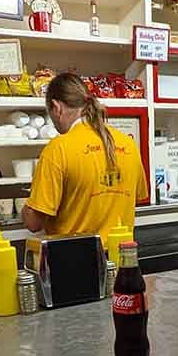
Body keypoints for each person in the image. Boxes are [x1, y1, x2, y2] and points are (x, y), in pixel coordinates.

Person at [23, 72, 148, 243]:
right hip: (123, 258)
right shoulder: (128, 144)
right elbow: (136, 199)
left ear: (57, 107)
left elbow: (33, 222)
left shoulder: (58, 148)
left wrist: (28, 206)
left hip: (75, 259)